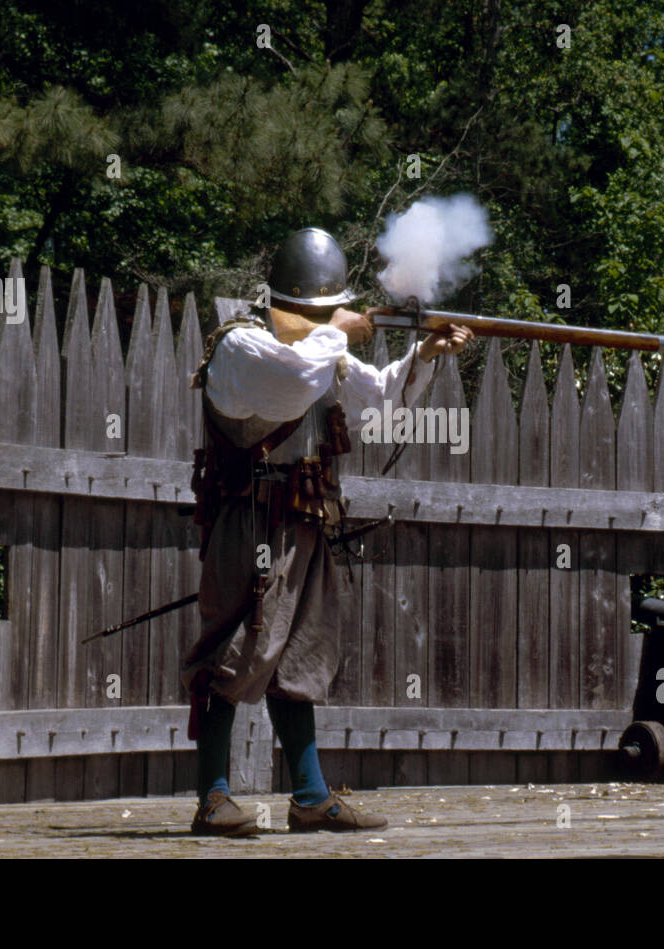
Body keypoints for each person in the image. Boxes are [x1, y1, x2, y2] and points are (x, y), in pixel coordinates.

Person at [184, 227, 473, 835]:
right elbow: (293, 378)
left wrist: (423, 354)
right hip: (250, 517)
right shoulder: (244, 346)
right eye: (318, 311)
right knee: (232, 651)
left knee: (301, 658)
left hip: (307, 519)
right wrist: (337, 331)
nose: (326, 321)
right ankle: (212, 797)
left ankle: (310, 796)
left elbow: (379, 399)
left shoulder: (318, 349)